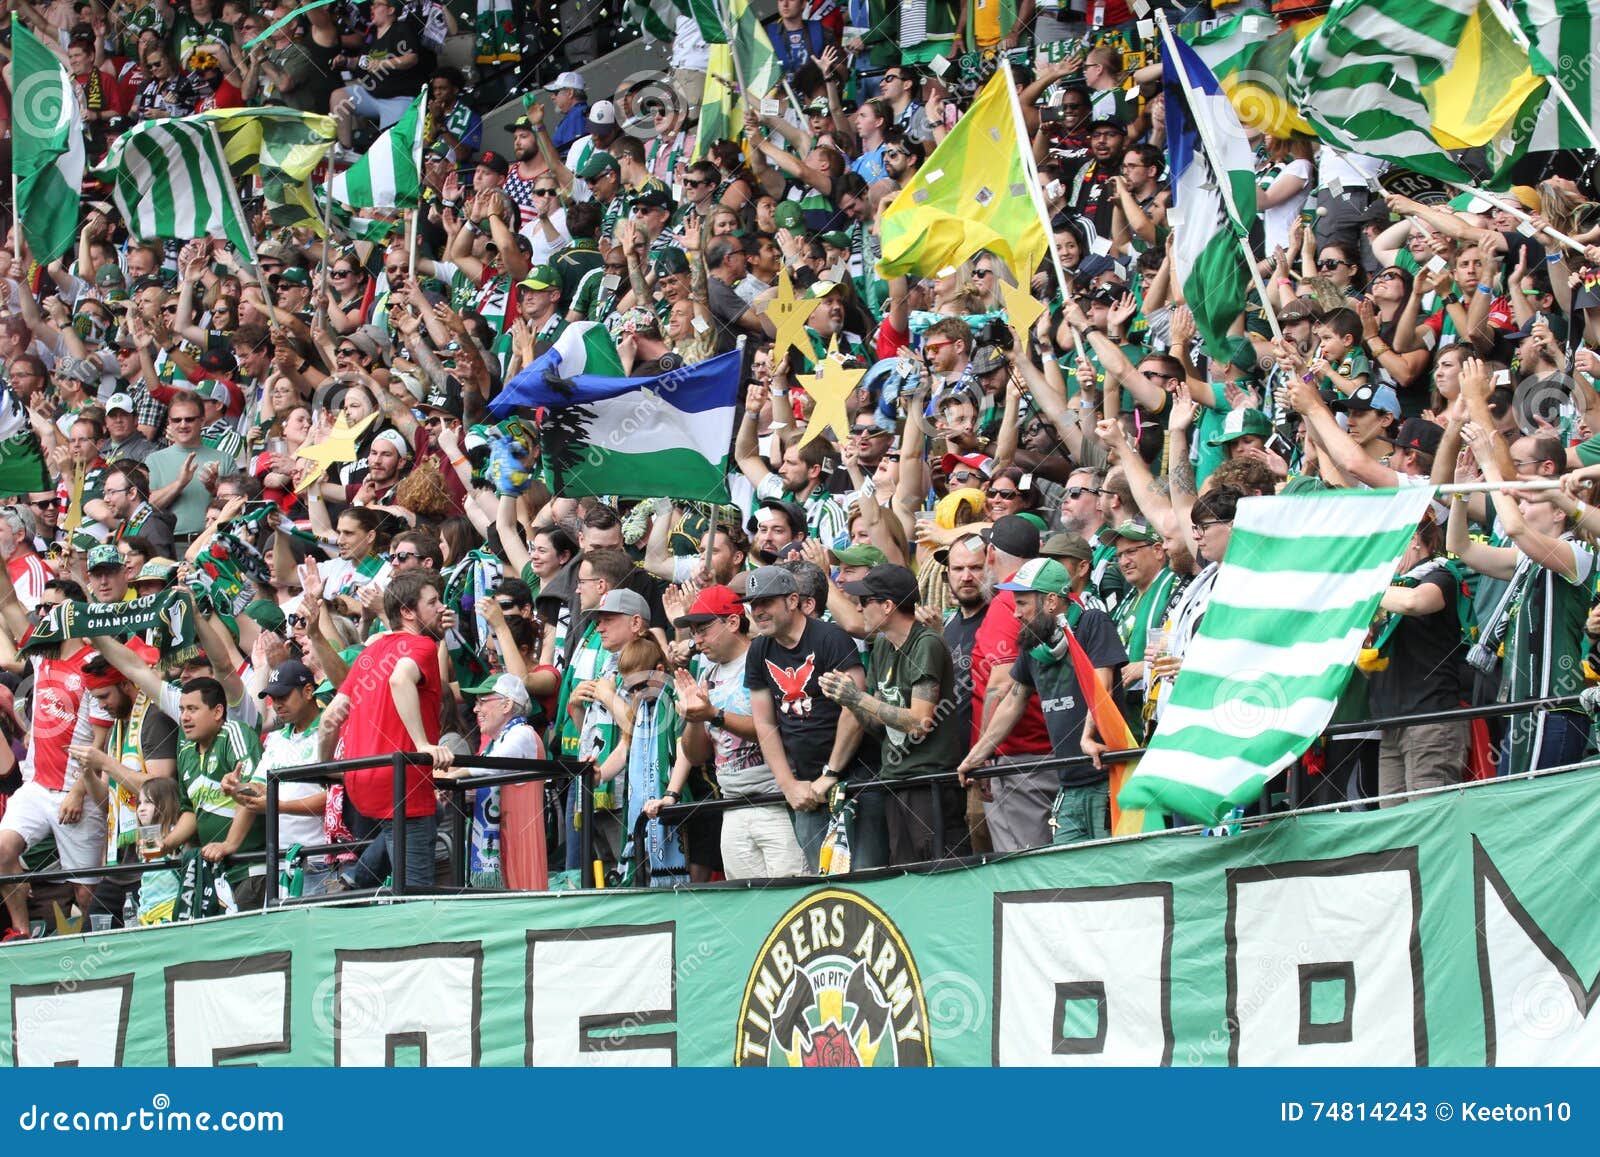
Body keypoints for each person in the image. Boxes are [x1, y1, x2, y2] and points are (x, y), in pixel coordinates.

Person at [959, 558, 1126, 845]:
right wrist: (976, 756)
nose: (1016, 614)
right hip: (1069, 785)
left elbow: (1101, 685)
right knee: (1067, 877)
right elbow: (1012, 702)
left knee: (1113, 875)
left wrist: (1087, 736)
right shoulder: (1034, 644)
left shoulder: (1091, 622)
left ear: (1050, 601)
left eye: (1022, 603)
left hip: (1106, 778)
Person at [319, 571, 454, 891]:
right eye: (433, 602)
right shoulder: (420, 645)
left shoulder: (369, 652)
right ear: (408, 612)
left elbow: (328, 721)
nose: (441, 608)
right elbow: (399, 680)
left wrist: (325, 767)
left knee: (428, 814)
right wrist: (423, 744)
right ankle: (362, 892)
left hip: (359, 780)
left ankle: (355, 879)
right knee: (416, 890)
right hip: (400, 779)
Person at [822, 564, 965, 864]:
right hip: (896, 779)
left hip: (930, 783)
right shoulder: (882, 646)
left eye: (864, 602)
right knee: (905, 875)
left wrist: (858, 697)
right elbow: (878, 726)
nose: (857, 609)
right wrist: (849, 701)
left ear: (887, 606)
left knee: (940, 873)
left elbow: (920, 721)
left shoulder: (926, 644)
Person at [660, 585, 805, 879]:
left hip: (777, 800)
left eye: (703, 629)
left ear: (733, 622)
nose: (697, 640)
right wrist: (693, 718)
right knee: (745, 910)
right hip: (732, 803)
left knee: (791, 901)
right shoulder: (706, 675)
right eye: (693, 632)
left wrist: (714, 715)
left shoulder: (767, 661)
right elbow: (698, 754)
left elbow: (774, 731)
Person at [742, 566, 871, 870]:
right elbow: (764, 722)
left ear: (792, 600)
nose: (757, 611)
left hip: (857, 780)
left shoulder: (830, 638)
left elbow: (855, 708)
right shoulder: (759, 649)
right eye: (753, 604)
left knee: (868, 879)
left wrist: (831, 773)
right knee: (822, 882)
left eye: (766, 602)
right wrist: (787, 783)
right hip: (805, 788)